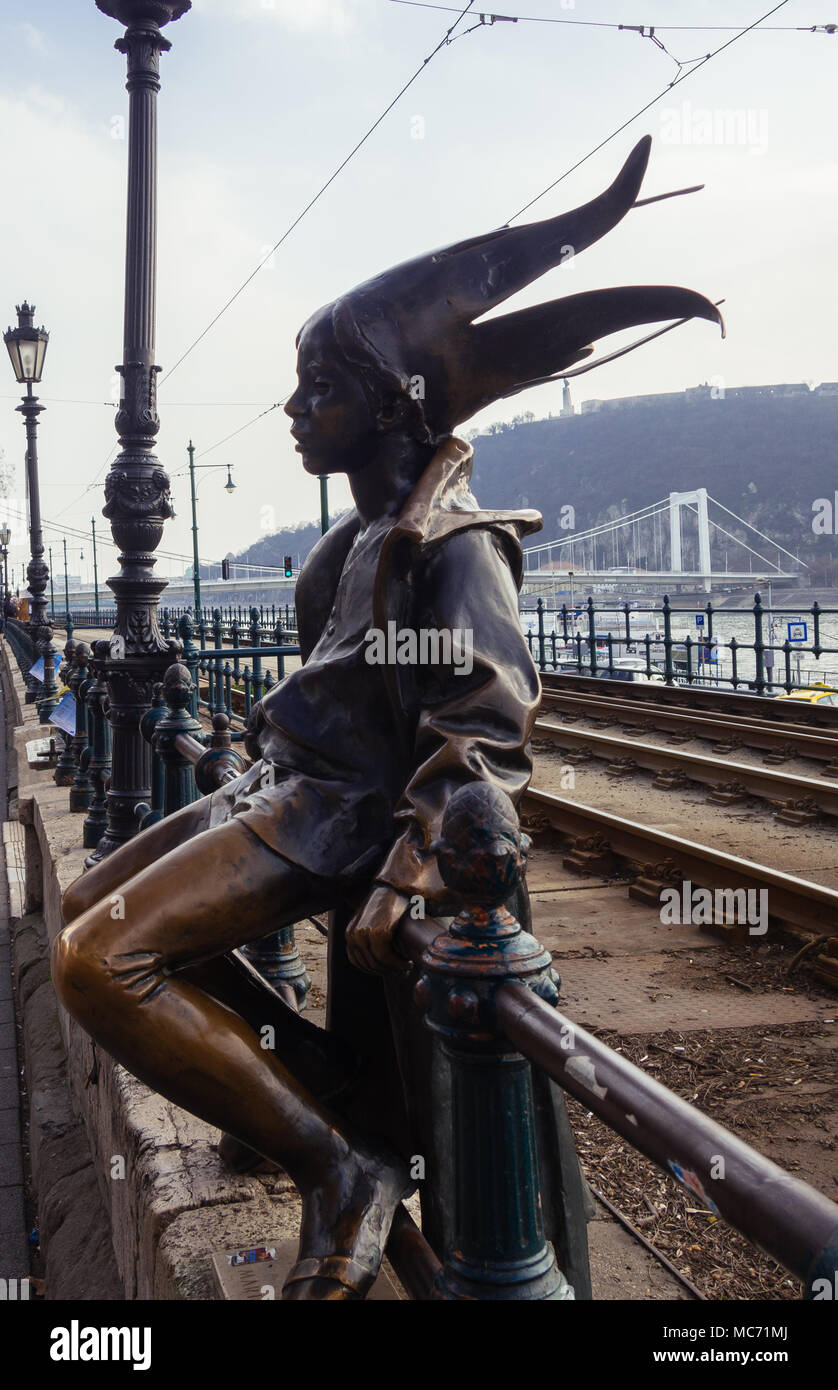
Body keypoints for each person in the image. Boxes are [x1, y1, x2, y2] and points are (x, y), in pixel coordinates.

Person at [52, 135, 722, 1300]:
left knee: (98, 960)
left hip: (335, 814)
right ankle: (319, 1089)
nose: (297, 410)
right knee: (82, 901)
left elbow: (489, 723)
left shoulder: (455, 548)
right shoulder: (344, 547)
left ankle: (339, 1162)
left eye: (323, 388)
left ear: (390, 402)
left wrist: (415, 855)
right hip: (278, 785)